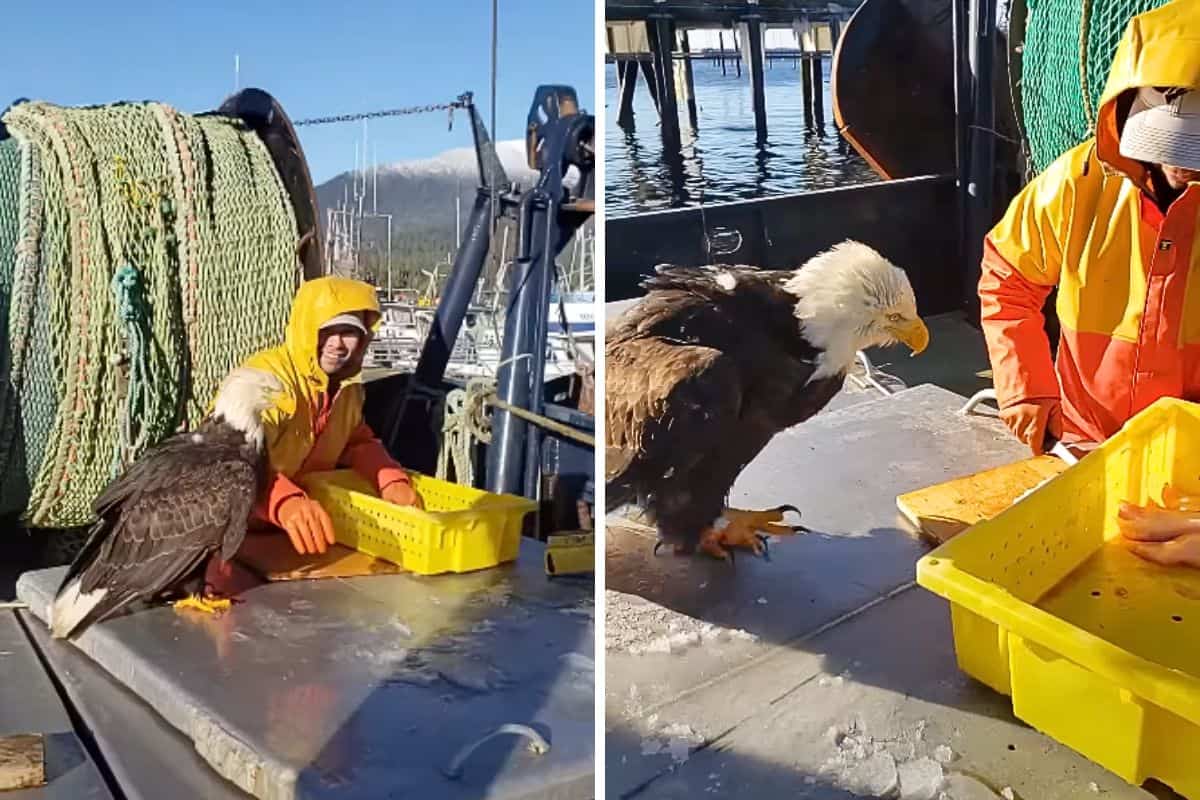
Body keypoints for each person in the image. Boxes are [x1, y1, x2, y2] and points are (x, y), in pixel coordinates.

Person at [978, 0, 1200, 460]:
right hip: (1080, 442)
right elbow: (1007, 280)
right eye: (1172, 141)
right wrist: (1027, 391)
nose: (1184, 164)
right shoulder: (1073, 184)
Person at [241, 276, 422, 556]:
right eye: (327, 330)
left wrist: (390, 479)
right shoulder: (267, 377)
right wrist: (283, 501)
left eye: (349, 332)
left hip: (302, 531)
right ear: (307, 328)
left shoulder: (348, 389)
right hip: (238, 529)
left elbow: (354, 441)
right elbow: (230, 460)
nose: (337, 344)